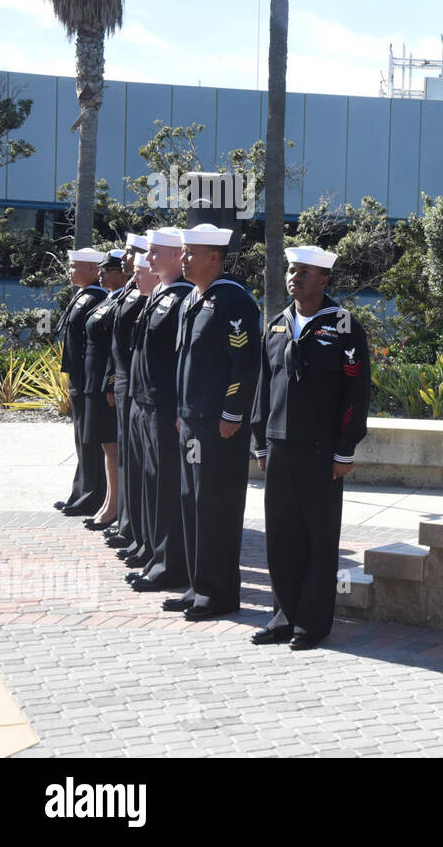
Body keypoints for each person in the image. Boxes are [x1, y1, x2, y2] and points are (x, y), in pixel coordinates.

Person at [249, 246, 370, 650]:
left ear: (324, 280)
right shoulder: (277, 324)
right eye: (291, 270)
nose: (294, 278)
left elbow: (356, 390)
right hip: (279, 447)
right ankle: (283, 616)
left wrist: (344, 450)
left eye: (303, 272)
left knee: (319, 538)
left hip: (321, 451)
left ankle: (312, 624)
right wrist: (260, 443)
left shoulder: (344, 326)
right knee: (281, 536)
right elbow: (262, 388)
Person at [170, 223, 261, 621]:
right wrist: (181, 411)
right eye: (184, 251)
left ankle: (219, 593)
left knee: (216, 507)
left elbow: (244, 362)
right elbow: (186, 361)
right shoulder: (194, 298)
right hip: (192, 420)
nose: (184, 258)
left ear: (215, 258)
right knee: (191, 503)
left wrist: (232, 412)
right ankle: (197, 585)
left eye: (192, 252)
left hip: (218, 424)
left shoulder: (233, 301)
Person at [125, 228, 194, 592]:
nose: (147, 259)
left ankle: (170, 565)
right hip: (145, 402)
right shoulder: (162, 294)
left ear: (173, 256)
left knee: (167, 486)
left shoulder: (182, 297)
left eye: (154, 253)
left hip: (166, 408)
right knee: (151, 484)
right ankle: (155, 554)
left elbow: (185, 358)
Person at [100, 234, 149, 551]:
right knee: (127, 460)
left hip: (138, 385)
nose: (126, 257)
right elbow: (116, 342)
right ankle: (127, 523)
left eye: (132, 252)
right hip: (124, 382)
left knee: (137, 461)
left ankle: (134, 527)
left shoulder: (147, 292)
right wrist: (111, 379)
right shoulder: (131, 289)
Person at [54, 248, 109, 517]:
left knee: (90, 442)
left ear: (91, 269)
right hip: (78, 377)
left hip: (90, 380)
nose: (71, 270)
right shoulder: (83, 295)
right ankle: (80, 492)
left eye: (76, 266)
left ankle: (92, 496)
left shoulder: (98, 297)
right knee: (81, 440)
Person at [79, 250, 128, 529]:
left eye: (108, 269)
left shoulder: (123, 300)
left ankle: (113, 506)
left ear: (122, 272)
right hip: (93, 380)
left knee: (112, 446)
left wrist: (109, 382)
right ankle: (109, 501)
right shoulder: (109, 298)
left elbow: (115, 346)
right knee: (105, 444)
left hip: (106, 382)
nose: (101, 273)